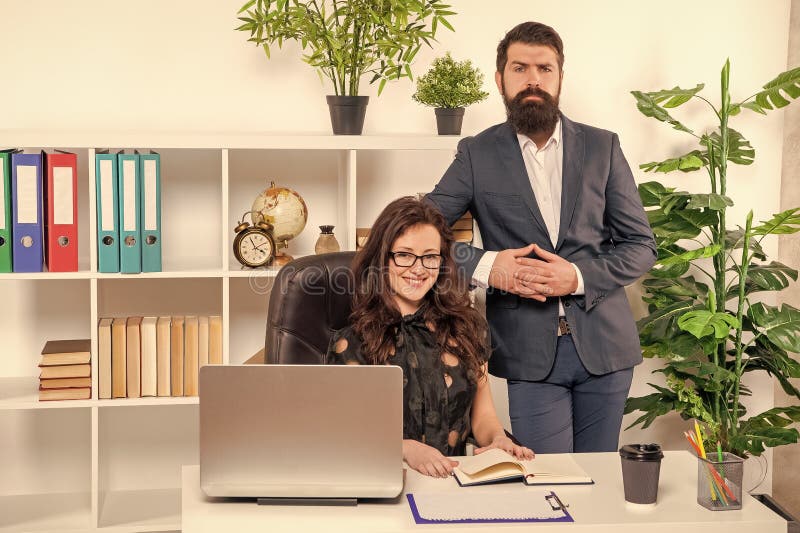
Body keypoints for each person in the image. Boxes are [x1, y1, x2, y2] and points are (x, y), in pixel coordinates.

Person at [425, 21, 657, 454]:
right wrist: (489, 267)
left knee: (599, 481)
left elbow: (641, 247)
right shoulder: (476, 154)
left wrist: (578, 277)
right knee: (547, 479)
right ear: (500, 79)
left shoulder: (602, 147)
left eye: (544, 69)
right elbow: (417, 234)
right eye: (520, 68)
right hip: (528, 353)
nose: (533, 80)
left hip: (605, 349)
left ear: (560, 77)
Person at [328, 196, 533, 478]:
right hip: (385, 481)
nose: (419, 268)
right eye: (404, 254)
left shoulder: (468, 328)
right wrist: (404, 448)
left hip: (454, 483)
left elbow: (483, 417)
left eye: (429, 256)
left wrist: (497, 438)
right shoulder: (352, 342)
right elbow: (344, 432)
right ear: (381, 258)